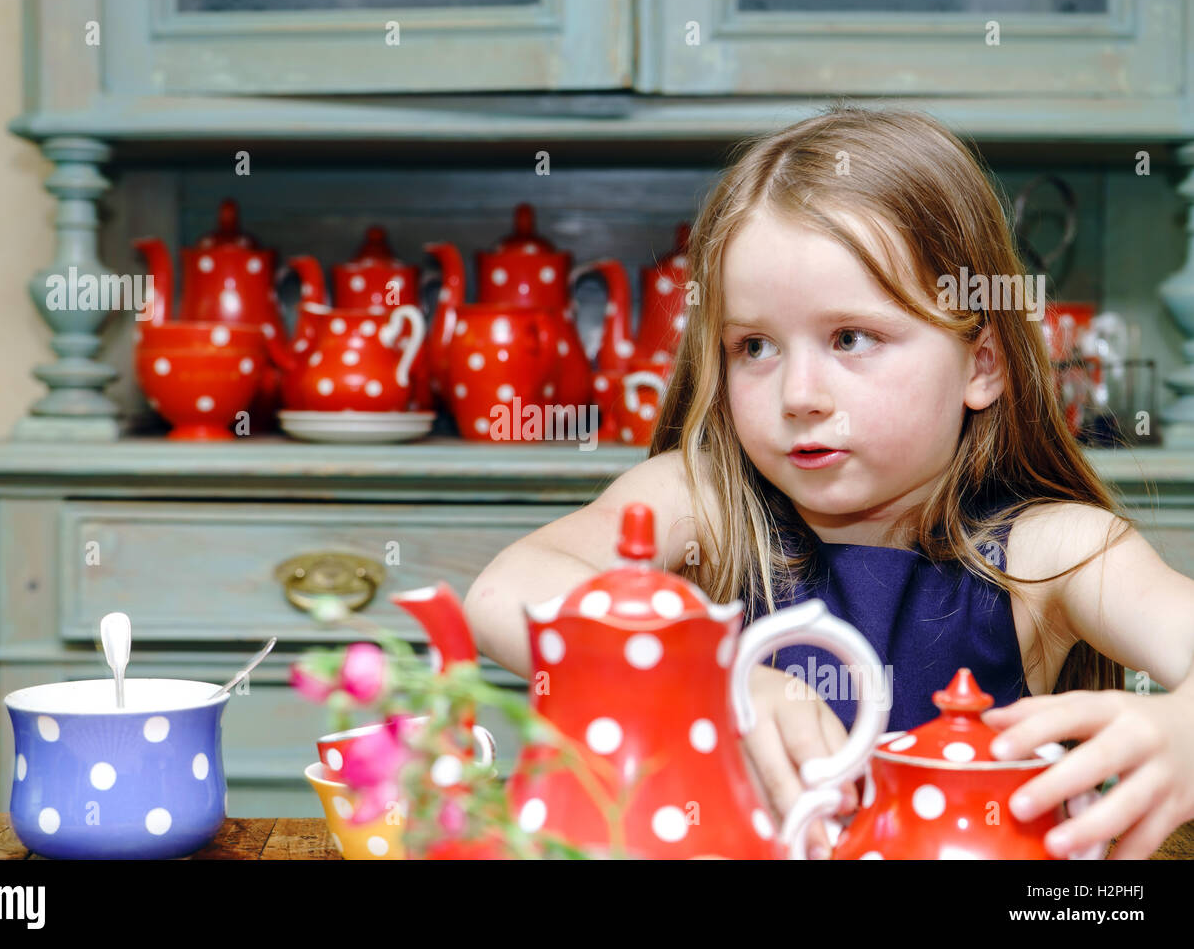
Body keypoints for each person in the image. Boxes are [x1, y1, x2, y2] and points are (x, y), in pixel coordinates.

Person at [465, 105, 1194, 860]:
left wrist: (1184, 733)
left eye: (852, 338)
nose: (798, 395)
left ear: (983, 364)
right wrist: (707, 678)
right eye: (755, 346)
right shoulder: (709, 504)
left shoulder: (1049, 552)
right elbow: (501, 591)